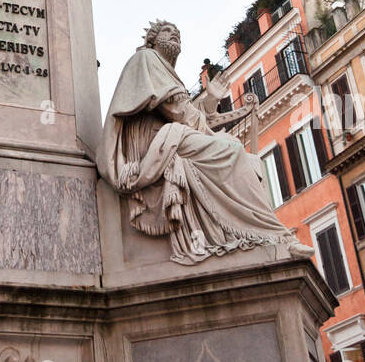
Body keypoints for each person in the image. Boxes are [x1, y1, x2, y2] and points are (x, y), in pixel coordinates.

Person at [99, 21, 314, 266]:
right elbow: (178, 110)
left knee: (237, 150)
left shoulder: (164, 71)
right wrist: (211, 130)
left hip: (172, 134)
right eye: (169, 32)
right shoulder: (147, 58)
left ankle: (263, 234)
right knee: (231, 150)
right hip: (157, 141)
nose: (176, 35)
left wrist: (210, 100)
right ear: (152, 40)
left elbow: (187, 112)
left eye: (178, 32)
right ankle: (269, 234)